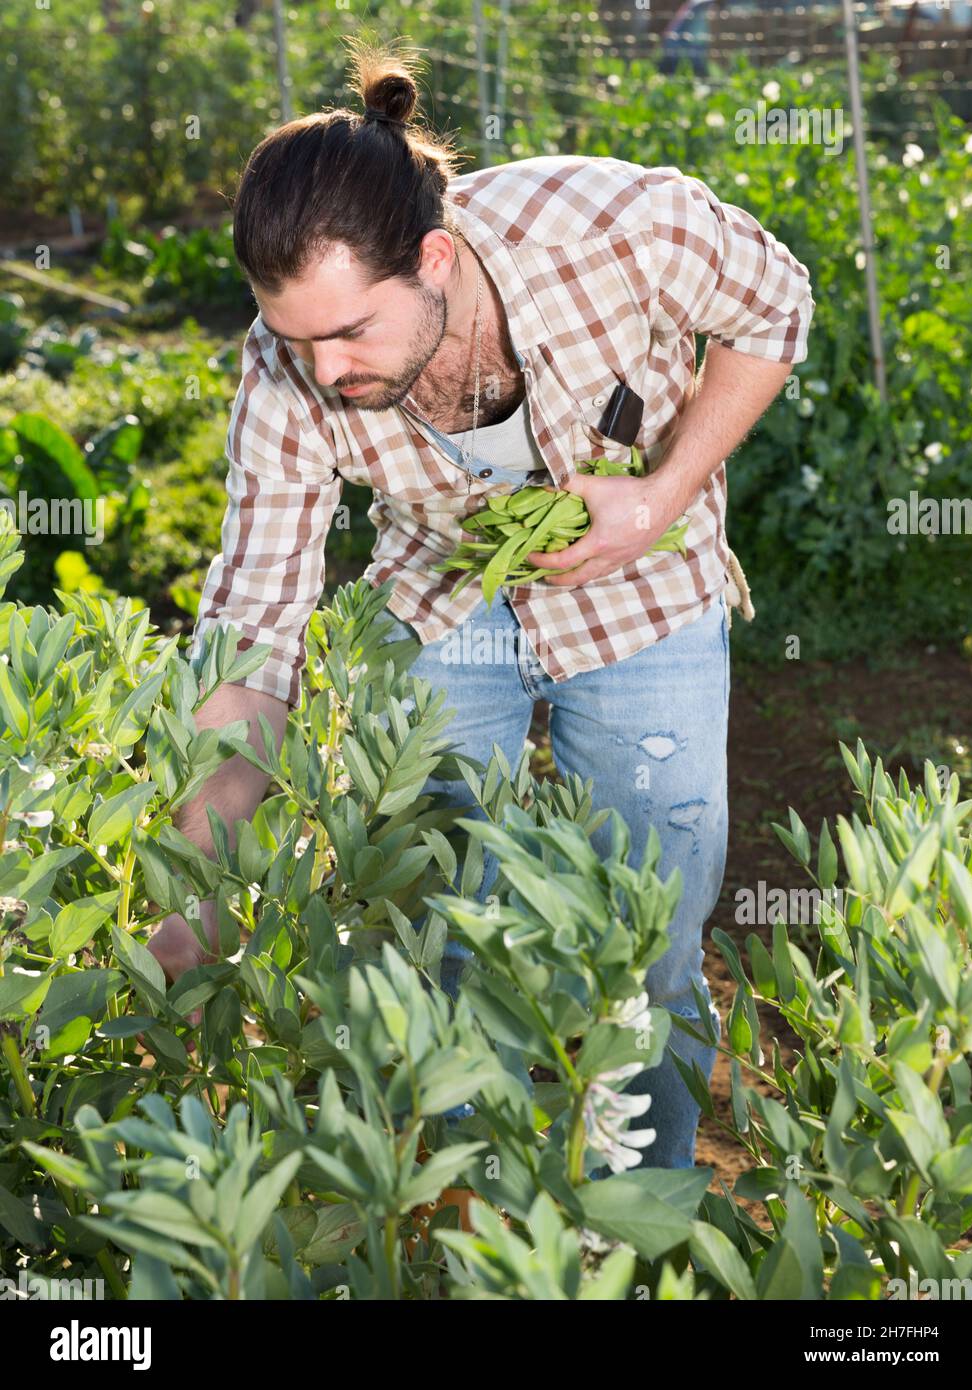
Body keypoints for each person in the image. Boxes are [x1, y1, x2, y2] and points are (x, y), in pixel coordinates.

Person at [150, 36, 815, 1170]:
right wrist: (190, 901)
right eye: (297, 337)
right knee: (442, 932)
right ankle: (472, 1222)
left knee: (645, 939)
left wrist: (657, 496)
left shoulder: (616, 226)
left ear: (437, 260)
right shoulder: (286, 372)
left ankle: (642, 1210)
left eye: (351, 331)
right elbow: (253, 635)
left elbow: (774, 310)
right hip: (442, 596)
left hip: (644, 589)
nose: (325, 370)